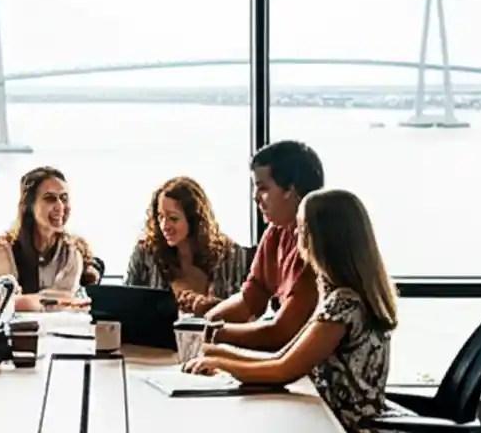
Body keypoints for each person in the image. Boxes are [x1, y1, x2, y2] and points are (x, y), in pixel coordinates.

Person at [184, 189, 398, 433]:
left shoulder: (344, 304)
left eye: (301, 228)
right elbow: (283, 356)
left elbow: (284, 369)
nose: (295, 234)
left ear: (321, 238)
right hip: (322, 417)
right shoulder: (346, 296)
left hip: (339, 426)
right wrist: (214, 352)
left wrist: (220, 363)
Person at [205, 140, 324, 351]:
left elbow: (282, 333)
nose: (255, 197)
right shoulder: (276, 232)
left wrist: (215, 334)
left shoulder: (317, 245)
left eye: (262, 188)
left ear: (291, 189)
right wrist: (204, 323)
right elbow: (250, 300)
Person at [123, 176, 248, 316]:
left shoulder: (230, 254)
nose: (165, 226)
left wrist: (208, 307)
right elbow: (126, 305)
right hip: (155, 336)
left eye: (173, 218)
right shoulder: (145, 252)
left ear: (194, 219)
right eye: (161, 217)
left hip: (216, 336)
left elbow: (245, 311)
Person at [0, 166, 102, 312]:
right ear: (29, 206)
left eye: (64, 198)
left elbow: (65, 305)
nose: (60, 206)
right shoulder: (2, 248)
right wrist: (56, 301)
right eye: (50, 199)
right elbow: (3, 304)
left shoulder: (72, 252)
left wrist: (31, 301)